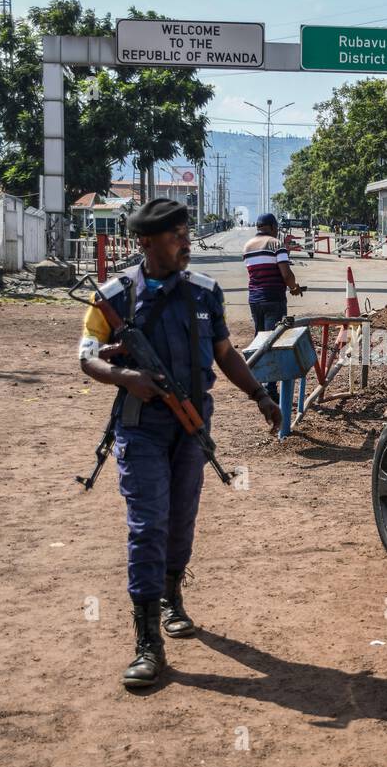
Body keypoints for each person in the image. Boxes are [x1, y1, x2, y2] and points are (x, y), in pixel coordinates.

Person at [79, 198, 283, 689]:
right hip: (140, 425)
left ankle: (171, 595)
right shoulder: (113, 296)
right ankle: (148, 641)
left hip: (192, 425)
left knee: (181, 520)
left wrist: (259, 395)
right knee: (148, 523)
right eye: (176, 238)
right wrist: (126, 377)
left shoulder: (205, 292)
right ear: (146, 243)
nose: (186, 244)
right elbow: (87, 358)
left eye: (186, 235)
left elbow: (225, 353)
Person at [241, 212, 303, 405]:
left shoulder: (247, 246)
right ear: (273, 227)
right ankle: (270, 390)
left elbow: (255, 274)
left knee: (259, 340)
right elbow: (286, 273)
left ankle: (257, 385)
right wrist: (294, 288)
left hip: (255, 299)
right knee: (273, 342)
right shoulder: (276, 244)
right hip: (274, 299)